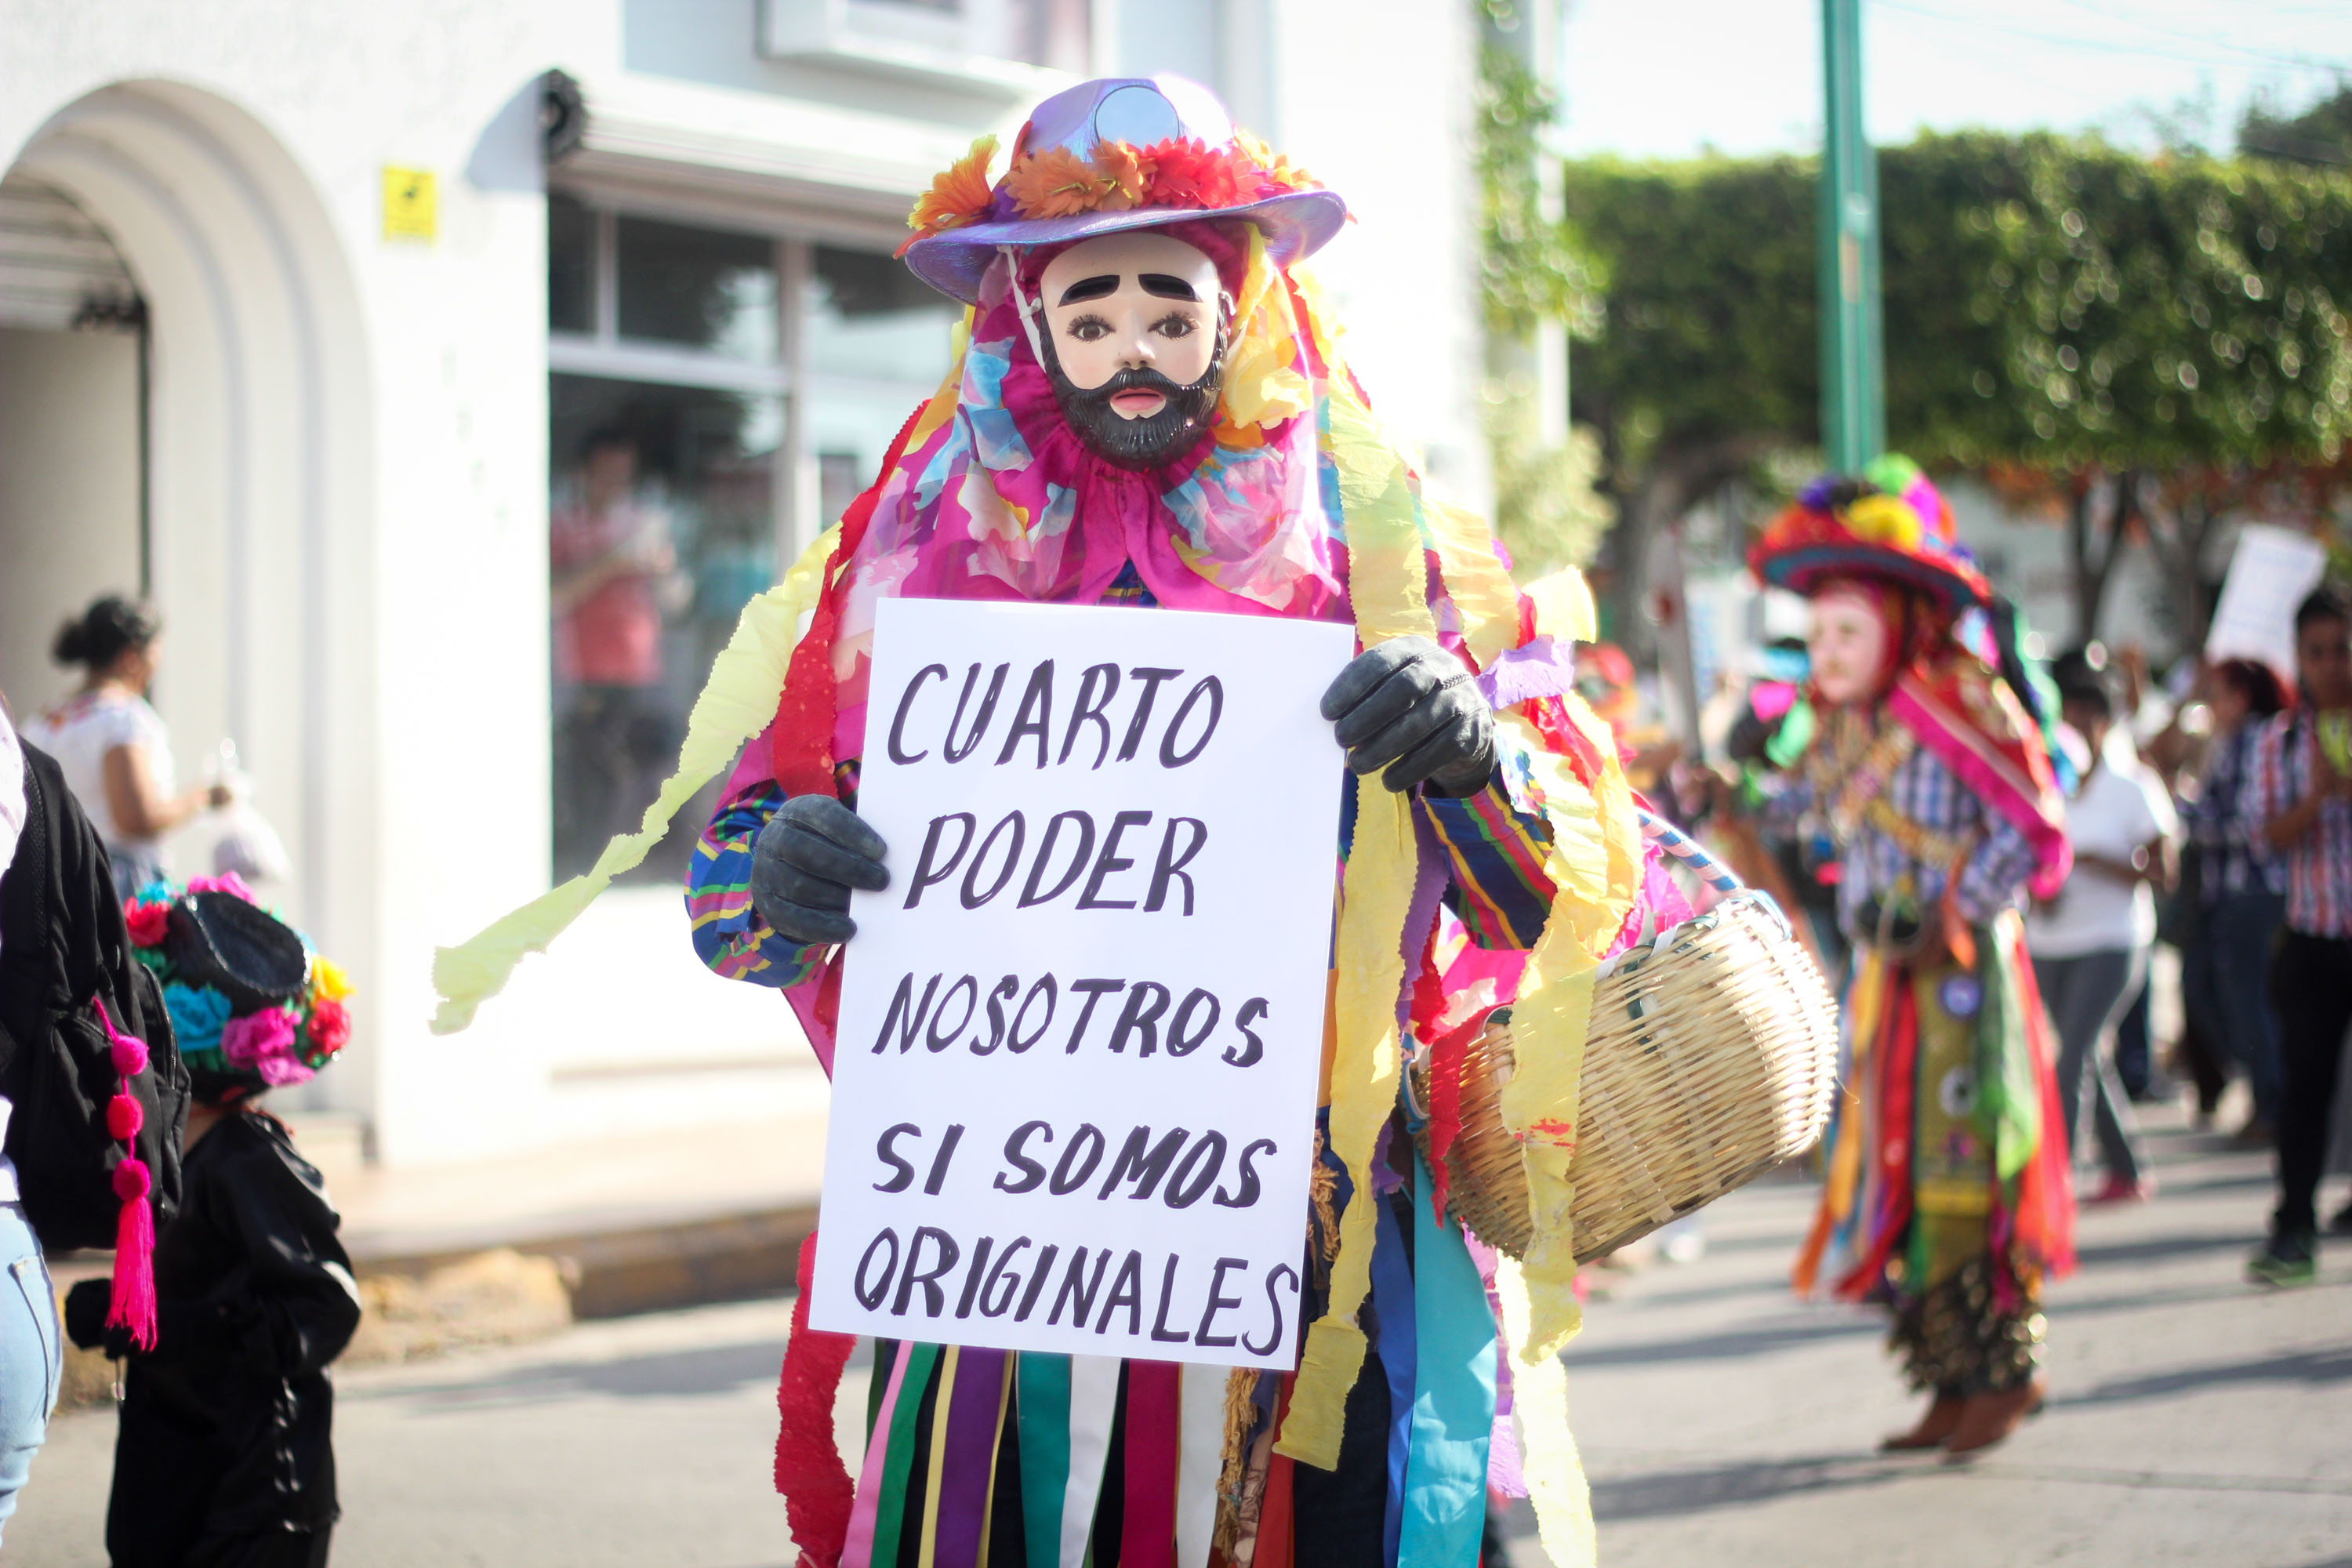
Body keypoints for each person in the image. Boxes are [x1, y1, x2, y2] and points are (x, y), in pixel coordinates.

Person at [674, 78, 1671, 1566]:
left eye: (1168, 304)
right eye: (1092, 312)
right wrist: (775, 870)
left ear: (1239, 311)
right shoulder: (906, 571)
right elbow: (737, 886)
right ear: (1030, 327)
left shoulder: (1381, 556)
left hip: (1316, 1238)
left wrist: (1470, 759)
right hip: (1008, 1239)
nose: (1131, 345)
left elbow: (1552, 896)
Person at [1749, 458, 2075, 1459]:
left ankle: (2006, 1372)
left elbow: (2036, 823)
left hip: (1962, 979)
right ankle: (1945, 1377)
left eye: (1847, 633)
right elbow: (1792, 808)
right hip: (1885, 980)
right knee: (1890, 1172)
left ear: (1897, 620)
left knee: (1958, 1167)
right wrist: (1723, 793)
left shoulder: (1960, 697)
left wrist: (1957, 912)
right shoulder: (1845, 725)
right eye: (1818, 636)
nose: (1828, 653)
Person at [66, 876, 358, 1567]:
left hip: (254, 1492)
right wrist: (128, 1313)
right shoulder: (170, 1154)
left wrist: (171, 1326)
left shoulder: (250, 1160)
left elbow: (322, 1306)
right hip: (178, 1473)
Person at [2025, 663, 2176, 1203]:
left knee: (2072, 1058)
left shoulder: (2133, 785)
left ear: (2106, 724)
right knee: (2087, 1056)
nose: (2077, 727)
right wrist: (2041, 889)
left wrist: (2096, 863)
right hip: (2049, 944)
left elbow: (2165, 872)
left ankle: (2056, 1188)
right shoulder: (2042, 782)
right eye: (2068, 717)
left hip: (2114, 941)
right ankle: (2127, 1171)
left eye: (2089, 717)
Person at [2242, 585, 2352, 1287]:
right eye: (2317, 652)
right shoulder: (2280, 742)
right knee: (2305, 1090)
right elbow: (2264, 840)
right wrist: (2316, 798)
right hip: (2314, 938)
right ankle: (2294, 1228)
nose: (2332, 665)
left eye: (2343, 649)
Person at [550, 428, 688, 874]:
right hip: (584, 675)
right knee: (592, 779)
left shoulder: (643, 524)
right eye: (607, 474)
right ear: (584, 474)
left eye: (624, 477)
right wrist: (612, 562)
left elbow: (678, 602)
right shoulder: (564, 527)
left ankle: (639, 865)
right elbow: (554, 596)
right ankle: (587, 868)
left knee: (651, 774)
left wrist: (665, 570)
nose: (617, 486)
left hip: (642, 672)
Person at [22, 597, 228, 893]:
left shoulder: (42, 721)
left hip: (52, 881)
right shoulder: (122, 718)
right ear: (132, 657)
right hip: (115, 884)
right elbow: (134, 818)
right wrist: (204, 797)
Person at [2180, 657, 2292, 1142]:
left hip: (2250, 892)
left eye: (2218, 694)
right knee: (2205, 991)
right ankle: (2266, 1091)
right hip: (2225, 892)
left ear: (2240, 698)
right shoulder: (2228, 743)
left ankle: (2273, 1102)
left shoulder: (2256, 743)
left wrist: (2186, 818)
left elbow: (2251, 825)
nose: (2211, 704)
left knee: (2243, 1000)